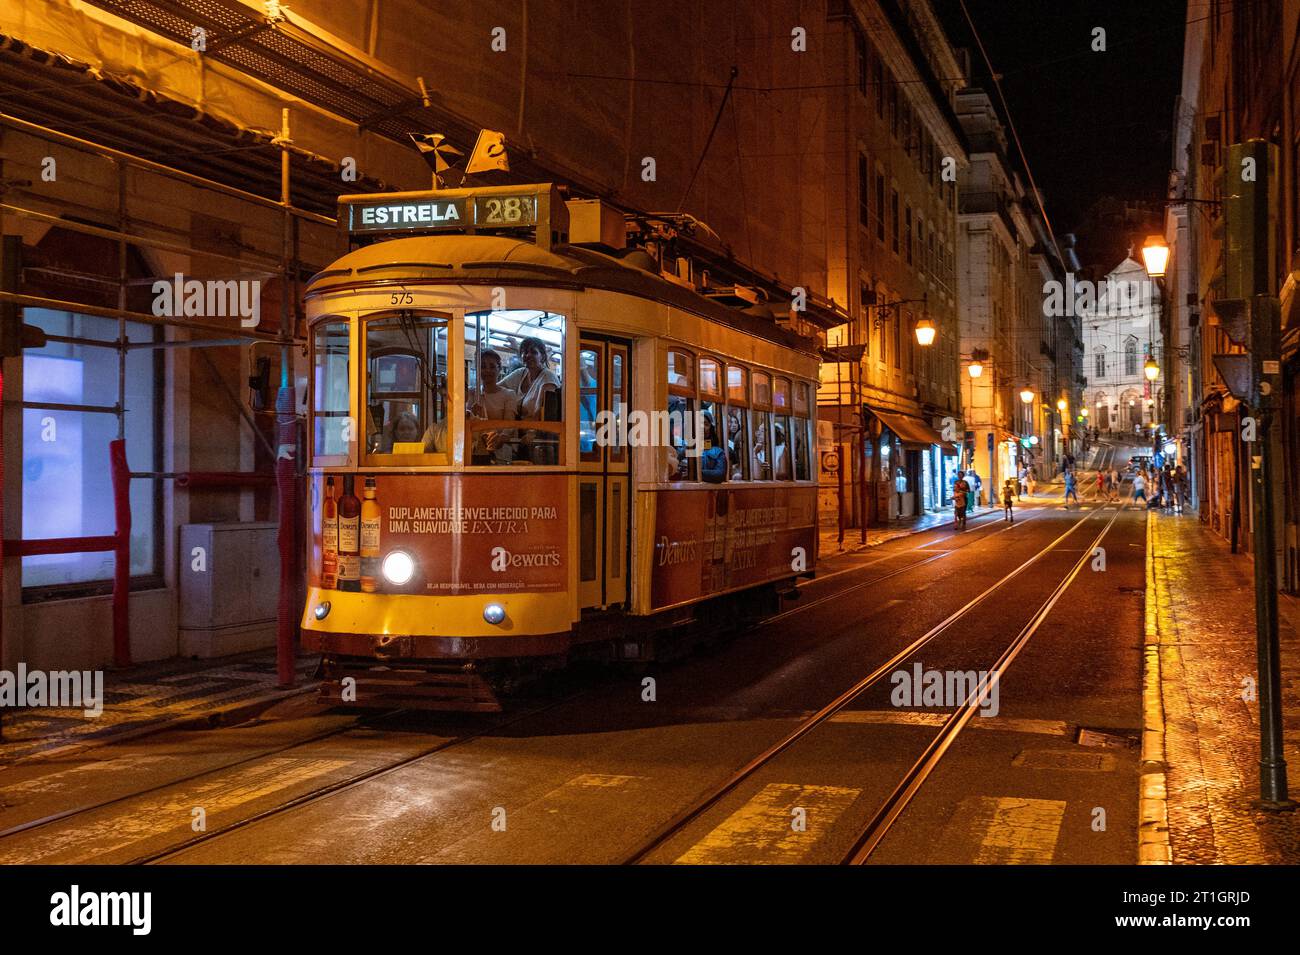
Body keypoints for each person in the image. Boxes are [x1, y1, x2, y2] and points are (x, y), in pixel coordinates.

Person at [468, 349, 519, 463]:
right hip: (475, 451)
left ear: (499, 369)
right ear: (477, 369)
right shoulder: (473, 393)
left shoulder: (509, 394)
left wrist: (499, 439)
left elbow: (509, 424)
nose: (487, 370)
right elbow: (466, 421)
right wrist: (470, 412)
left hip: (500, 452)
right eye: (483, 366)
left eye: (492, 366)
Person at [700, 413, 727, 483]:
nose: (702, 427)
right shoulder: (686, 450)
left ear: (711, 428)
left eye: (706, 424)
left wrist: (697, 473)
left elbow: (720, 474)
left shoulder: (718, 452)